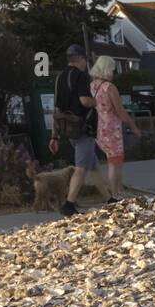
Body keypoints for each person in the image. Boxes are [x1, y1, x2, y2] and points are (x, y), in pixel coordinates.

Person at [49, 44, 106, 216]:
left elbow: (57, 109)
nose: (86, 63)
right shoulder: (81, 76)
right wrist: (96, 102)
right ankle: (69, 204)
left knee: (93, 165)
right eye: (85, 60)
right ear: (81, 59)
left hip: (68, 128)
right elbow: (84, 101)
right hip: (84, 127)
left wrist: (55, 136)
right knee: (81, 168)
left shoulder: (60, 77)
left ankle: (109, 198)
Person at [89, 56, 141, 202]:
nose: (114, 72)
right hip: (112, 128)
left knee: (111, 159)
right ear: (107, 69)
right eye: (112, 69)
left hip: (98, 127)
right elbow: (120, 111)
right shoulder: (110, 88)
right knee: (115, 162)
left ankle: (117, 192)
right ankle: (115, 193)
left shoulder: (93, 86)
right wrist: (134, 127)